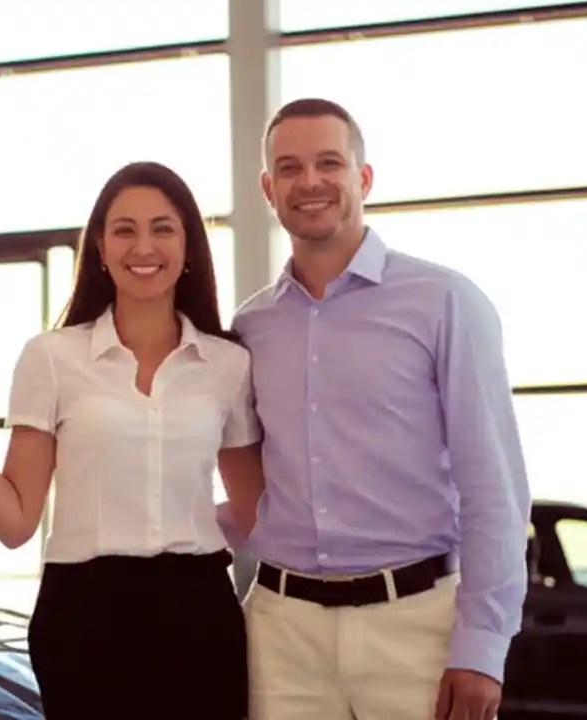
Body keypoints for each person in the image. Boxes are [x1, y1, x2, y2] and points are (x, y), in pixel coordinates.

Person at [0, 161, 265, 718]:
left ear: (189, 248)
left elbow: (254, 514)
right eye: (124, 229)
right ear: (100, 249)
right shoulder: (52, 357)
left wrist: (189, 514)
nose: (143, 245)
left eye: (163, 227)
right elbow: (14, 523)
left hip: (199, 611)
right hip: (85, 616)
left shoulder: (229, 365)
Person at [227, 97, 532, 720]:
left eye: (328, 163)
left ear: (363, 178)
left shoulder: (445, 301)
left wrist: (482, 647)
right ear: (268, 188)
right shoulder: (250, 326)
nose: (309, 182)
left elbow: (493, 488)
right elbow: (253, 489)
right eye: (289, 168)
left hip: (416, 627)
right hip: (282, 633)